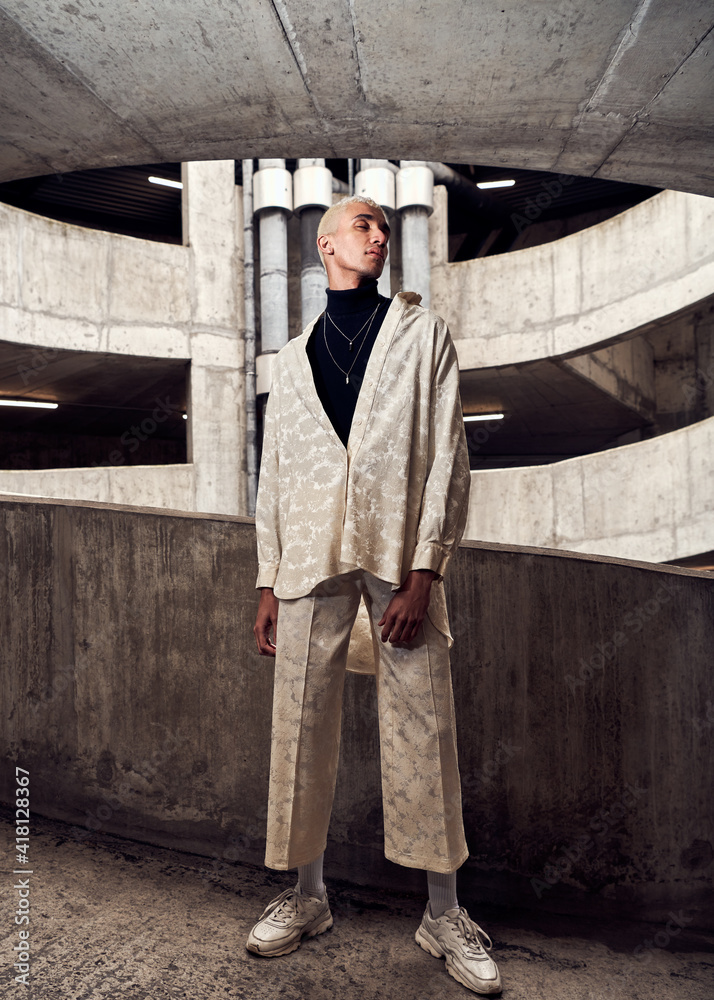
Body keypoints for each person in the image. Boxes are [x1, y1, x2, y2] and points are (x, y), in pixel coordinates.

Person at [246, 194, 502, 995]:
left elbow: (448, 458)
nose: (379, 235)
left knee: (425, 723)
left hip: (397, 553)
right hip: (309, 558)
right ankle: (306, 896)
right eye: (363, 225)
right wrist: (266, 575)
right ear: (326, 245)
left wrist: (426, 569)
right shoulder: (288, 362)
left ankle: (443, 911)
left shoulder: (423, 338)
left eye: (384, 227)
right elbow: (273, 477)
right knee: (300, 721)